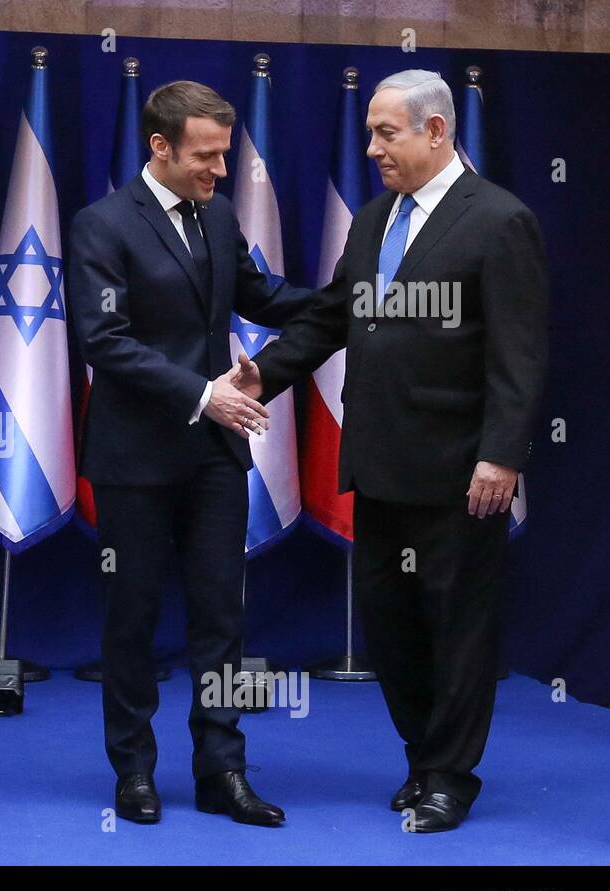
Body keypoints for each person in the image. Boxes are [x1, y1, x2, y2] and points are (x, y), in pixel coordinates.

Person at [233, 70, 548, 832]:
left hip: (461, 472)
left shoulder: (500, 220)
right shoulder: (374, 219)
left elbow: (521, 354)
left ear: (436, 131)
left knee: (458, 628)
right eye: (371, 132)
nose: (372, 147)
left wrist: (502, 455)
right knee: (392, 624)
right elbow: (332, 319)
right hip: (378, 463)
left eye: (386, 133)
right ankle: (421, 757)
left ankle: (450, 777)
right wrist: (259, 376)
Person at [67, 80, 312, 826]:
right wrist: (206, 394)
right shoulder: (99, 225)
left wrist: (350, 300)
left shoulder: (219, 213)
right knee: (132, 618)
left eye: (224, 156)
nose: (219, 170)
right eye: (206, 157)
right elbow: (103, 341)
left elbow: (260, 294)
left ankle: (222, 772)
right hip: (136, 457)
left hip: (213, 457)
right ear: (160, 147)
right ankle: (134, 773)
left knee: (221, 621)